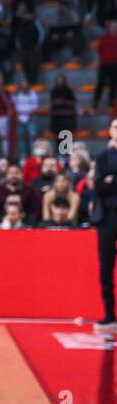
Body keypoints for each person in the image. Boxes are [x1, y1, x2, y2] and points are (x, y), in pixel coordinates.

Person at [92, 120, 117, 330]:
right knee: (106, 267)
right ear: (110, 131)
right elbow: (99, 186)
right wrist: (107, 182)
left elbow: (108, 183)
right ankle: (109, 313)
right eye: (116, 126)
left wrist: (112, 180)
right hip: (107, 218)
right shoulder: (101, 157)